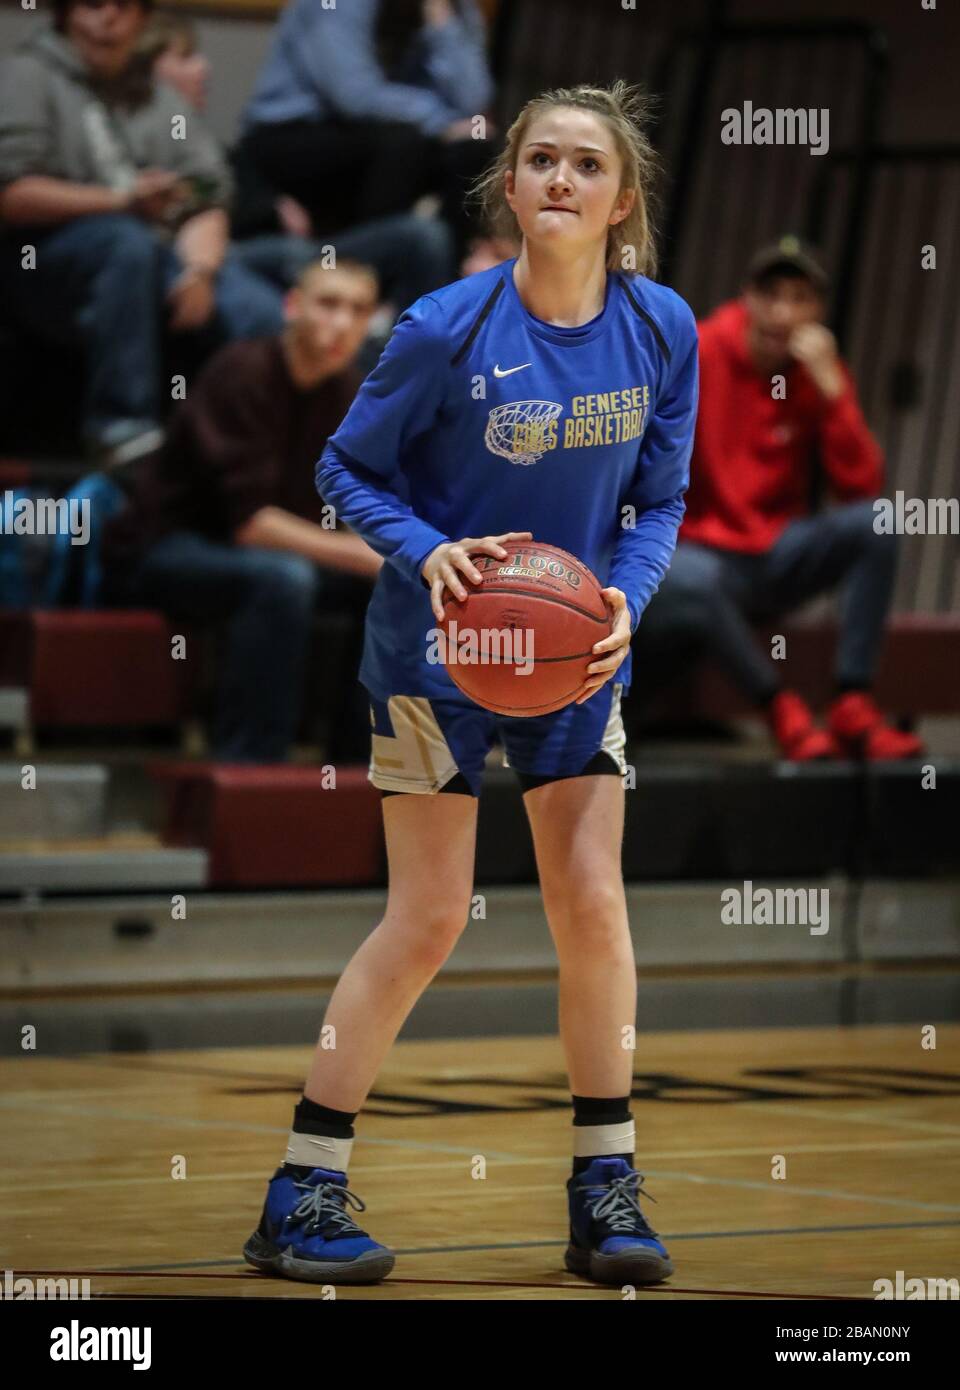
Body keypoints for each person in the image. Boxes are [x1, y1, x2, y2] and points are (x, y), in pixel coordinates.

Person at [242, 81, 699, 1287]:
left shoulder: (663, 330)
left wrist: (626, 600)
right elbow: (343, 471)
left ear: (621, 199)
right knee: (430, 917)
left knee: (591, 901)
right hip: (432, 660)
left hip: (572, 655)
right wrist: (425, 546)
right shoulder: (445, 325)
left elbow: (658, 502)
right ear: (511, 186)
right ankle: (302, 1189)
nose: (559, 179)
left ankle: (606, 1190)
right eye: (539, 159)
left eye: (585, 166)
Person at [634, 238, 923, 761]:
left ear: (817, 313)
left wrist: (834, 394)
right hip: (701, 559)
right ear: (747, 298)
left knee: (877, 523)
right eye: (769, 295)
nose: (781, 313)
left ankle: (853, 702)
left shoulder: (816, 373)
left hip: (777, 554)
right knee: (685, 574)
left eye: (798, 299)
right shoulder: (698, 351)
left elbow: (861, 487)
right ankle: (780, 710)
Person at [101, 260, 383, 763]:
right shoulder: (242, 370)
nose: (342, 323)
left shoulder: (352, 396)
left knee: (393, 585)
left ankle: (361, 765)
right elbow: (252, 525)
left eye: (358, 310)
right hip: (168, 548)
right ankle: (252, 765)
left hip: (267, 552)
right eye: (328, 304)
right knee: (286, 579)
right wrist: (370, 557)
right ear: (292, 307)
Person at [0, 0, 284, 470]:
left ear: (143, 19)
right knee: (123, 242)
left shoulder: (156, 92)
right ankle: (122, 427)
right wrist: (122, 200)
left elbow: (207, 190)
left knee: (254, 303)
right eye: (92, 5)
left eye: (123, 7)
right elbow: (11, 192)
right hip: (43, 258)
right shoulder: (28, 75)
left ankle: (254, 450)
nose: (108, 19)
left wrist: (200, 270)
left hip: (159, 252)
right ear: (65, 15)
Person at [135, 10, 458, 326]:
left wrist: (274, 201)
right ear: (149, 68)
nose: (203, 67)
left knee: (422, 236)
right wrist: (269, 207)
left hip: (297, 248)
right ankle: (362, 334)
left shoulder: (210, 144)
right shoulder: (143, 135)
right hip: (240, 254)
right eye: (185, 57)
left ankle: (409, 354)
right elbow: (198, 204)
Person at [238, 0, 499, 263]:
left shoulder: (456, 8)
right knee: (402, 144)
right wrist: (443, 124)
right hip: (292, 131)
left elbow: (473, 98)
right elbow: (355, 96)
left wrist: (441, 22)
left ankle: (447, 285)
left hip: (395, 130)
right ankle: (364, 273)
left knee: (473, 146)